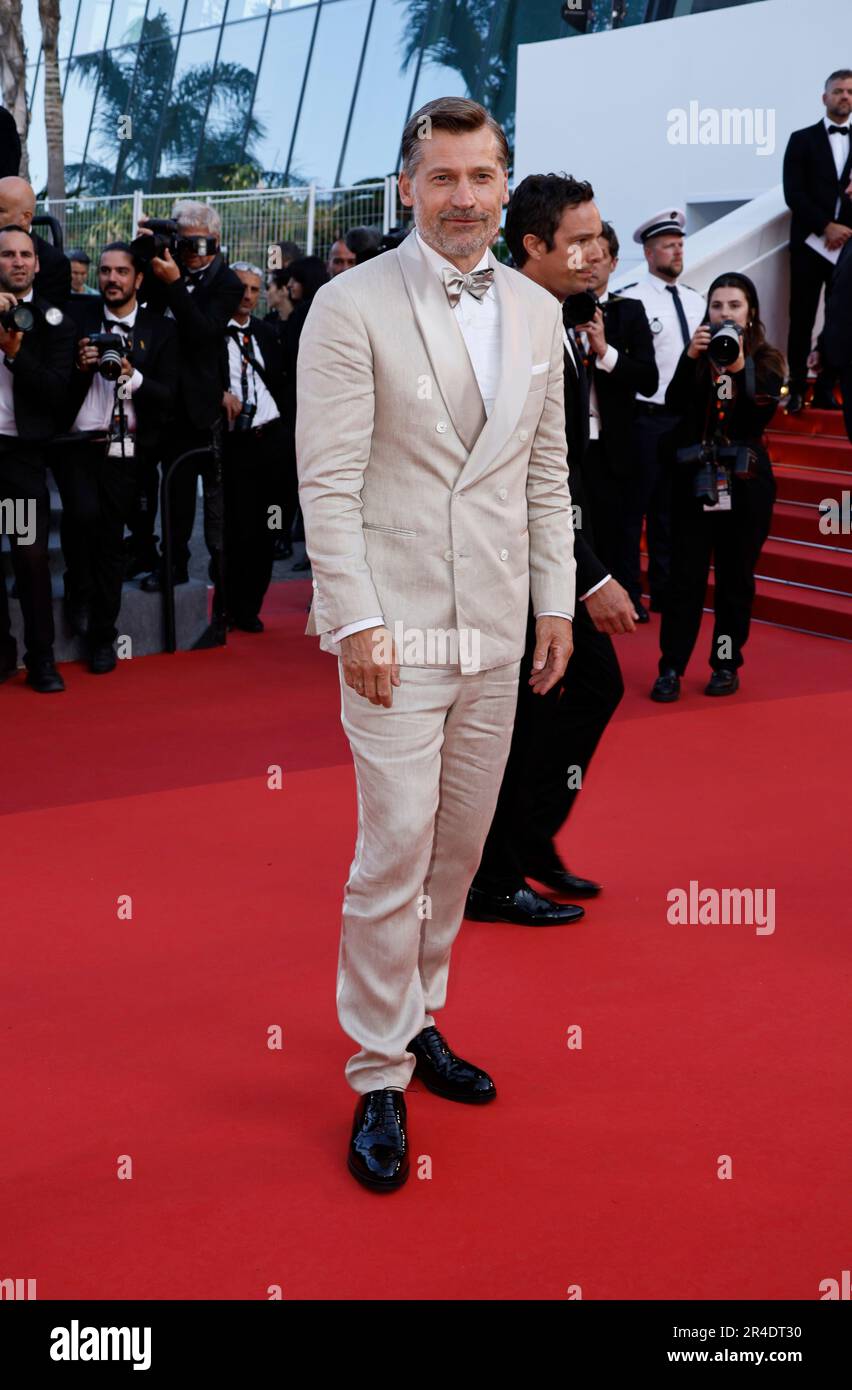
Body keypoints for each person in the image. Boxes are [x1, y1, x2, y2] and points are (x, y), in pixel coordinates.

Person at [296, 97, 575, 1191]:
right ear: (407, 184)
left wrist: (553, 602)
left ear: (508, 186)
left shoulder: (536, 312)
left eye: (483, 176)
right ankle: (375, 1072)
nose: (465, 197)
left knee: (457, 849)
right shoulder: (349, 306)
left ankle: (420, 1020)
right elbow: (326, 482)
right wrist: (356, 619)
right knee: (394, 847)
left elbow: (544, 476)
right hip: (395, 630)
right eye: (444, 177)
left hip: (498, 628)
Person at [467, 178, 635, 927]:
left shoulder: (558, 320)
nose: (596, 251)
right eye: (579, 238)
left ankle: (524, 841)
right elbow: (523, 473)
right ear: (533, 245)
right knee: (531, 714)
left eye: (600, 235)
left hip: (557, 549)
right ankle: (492, 878)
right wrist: (590, 574)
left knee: (583, 691)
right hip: (518, 561)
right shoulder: (509, 326)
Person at [650, 273, 786, 703]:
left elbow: (755, 420)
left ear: (751, 313)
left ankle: (725, 663)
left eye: (734, 305)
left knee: (734, 580)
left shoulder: (766, 359)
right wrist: (691, 359)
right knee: (684, 581)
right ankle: (671, 667)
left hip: (746, 485)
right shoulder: (700, 358)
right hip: (696, 482)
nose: (725, 313)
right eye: (717, 305)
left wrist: (741, 366)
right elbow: (673, 407)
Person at [59, 242, 177, 673]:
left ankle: (103, 638)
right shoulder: (78, 319)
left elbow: (169, 397)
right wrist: (78, 364)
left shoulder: (159, 330)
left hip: (125, 448)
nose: (111, 278)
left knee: (111, 540)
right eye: (105, 271)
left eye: (121, 272)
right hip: (76, 444)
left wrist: (135, 375)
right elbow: (54, 381)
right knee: (82, 518)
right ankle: (77, 587)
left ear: (138, 279)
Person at [134, 200, 242, 592]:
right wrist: (144, 246)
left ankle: (194, 569)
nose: (194, 253)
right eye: (185, 243)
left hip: (197, 406)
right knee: (153, 487)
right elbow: (134, 289)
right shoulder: (163, 265)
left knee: (191, 494)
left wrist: (175, 282)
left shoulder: (226, 282)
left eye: (202, 245)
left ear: (216, 241)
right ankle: (153, 555)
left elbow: (202, 333)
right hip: (155, 395)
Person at [620, 209, 705, 620]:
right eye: (669, 245)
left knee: (672, 511)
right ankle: (630, 594)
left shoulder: (696, 298)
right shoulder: (632, 297)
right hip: (646, 418)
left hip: (684, 419)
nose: (677, 251)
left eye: (680, 244)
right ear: (650, 253)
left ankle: (667, 591)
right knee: (636, 510)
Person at [0, 225, 75, 691]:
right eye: (7, 254)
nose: (18, 261)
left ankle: (41, 659)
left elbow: (54, 393)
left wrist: (14, 356)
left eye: (26, 253)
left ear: (38, 263)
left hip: (20, 461)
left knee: (29, 559)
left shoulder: (54, 322)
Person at [583, 221, 659, 591]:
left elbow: (648, 379)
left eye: (601, 257)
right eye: (585, 255)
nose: (591, 264)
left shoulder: (630, 311)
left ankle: (627, 596)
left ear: (614, 263)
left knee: (622, 526)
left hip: (616, 442)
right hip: (568, 443)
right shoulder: (551, 308)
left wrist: (605, 351)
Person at [782, 69, 852, 414]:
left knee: (840, 318)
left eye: (850, 92)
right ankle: (795, 386)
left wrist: (846, 230)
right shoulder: (801, 140)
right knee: (802, 316)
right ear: (825, 97)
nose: (844, 97)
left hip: (849, 248)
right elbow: (793, 193)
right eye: (838, 91)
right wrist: (827, 226)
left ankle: (826, 385)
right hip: (810, 243)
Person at [221, 262, 285, 631]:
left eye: (254, 289)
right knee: (237, 528)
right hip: (236, 446)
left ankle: (250, 608)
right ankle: (228, 605)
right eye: (240, 288)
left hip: (271, 442)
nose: (247, 296)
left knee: (268, 528)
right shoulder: (212, 334)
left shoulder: (266, 332)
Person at [279, 256, 328, 570]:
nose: (289, 286)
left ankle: (306, 550)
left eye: (294, 280)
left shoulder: (305, 313)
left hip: (304, 409)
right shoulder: (317, 308)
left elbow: (290, 362)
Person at [0, 176, 71, 307]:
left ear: (25, 218)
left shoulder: (54, 264)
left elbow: (53, 321)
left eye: (0, 211)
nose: (19, 262)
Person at [822, 233, 852, 444]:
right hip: (845, 360)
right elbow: (838, 301)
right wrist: (821, 346)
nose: (848, 197)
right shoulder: (849, 243)